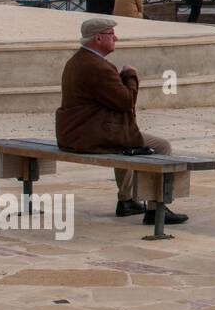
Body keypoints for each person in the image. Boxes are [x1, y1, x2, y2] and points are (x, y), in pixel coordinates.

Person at [54, 18, 187, 226]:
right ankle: (156, 208)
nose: (116, 37)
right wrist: (130, 75)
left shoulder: (77, 61)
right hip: (92, 134)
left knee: (126, 143)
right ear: (98, 38)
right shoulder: (97, 67)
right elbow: (126, 102)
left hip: (75, 133)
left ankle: (127, 200)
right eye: (111, 34)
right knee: (161, 147)